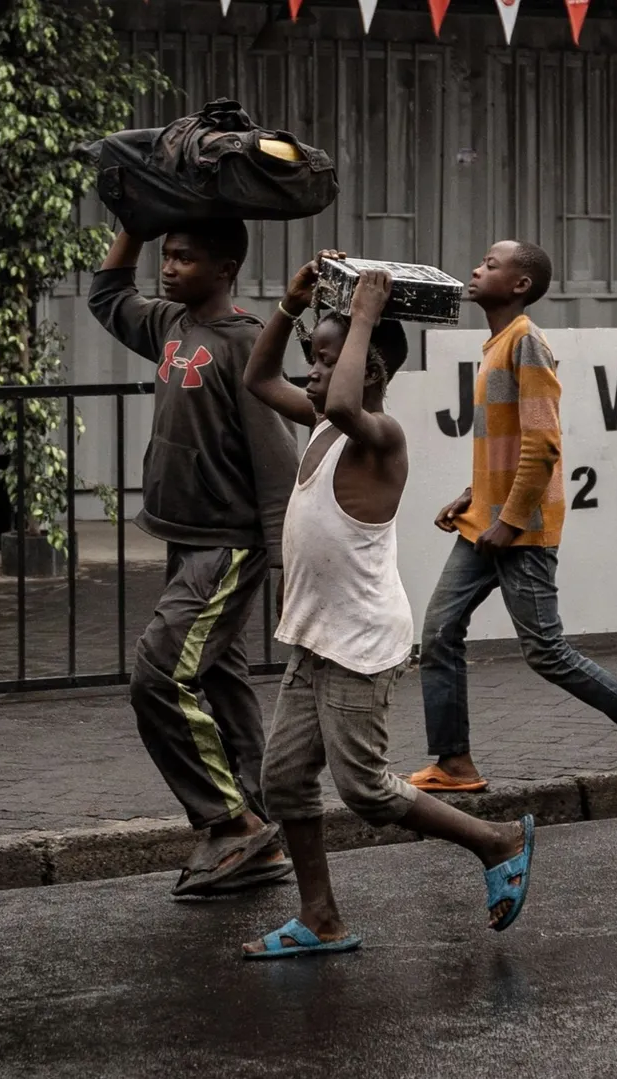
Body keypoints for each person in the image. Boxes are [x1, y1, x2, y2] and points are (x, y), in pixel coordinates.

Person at [238, 254, 534, 958]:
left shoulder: (379, 433)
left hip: (360, 641)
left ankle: (496, 840)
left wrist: (366, 313)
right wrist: (289, 305)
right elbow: (257, 380)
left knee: (366, 790)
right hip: (316, 637)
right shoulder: (323, 421)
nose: (313, 373)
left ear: (370, 370)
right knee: (284, 781)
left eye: (327, 360)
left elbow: (346, 403)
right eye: (313, 358)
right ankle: (320, 917)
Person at [407, 240, 617, 798]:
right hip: (487, 522)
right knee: (439, 634)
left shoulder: (526, 342)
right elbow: (508, 441)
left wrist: (511, 519)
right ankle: (454, 762)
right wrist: (472, 496)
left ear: (520, 285)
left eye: (491, 264)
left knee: (546, 651)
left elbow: (543, 445)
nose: (476, 269)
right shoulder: (498, 343)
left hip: (520, 530)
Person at [88, 223, 300, 897]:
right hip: (184, 538)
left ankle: (231, 822)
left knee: (158, 676)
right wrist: (134, 227)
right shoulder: (170, 324)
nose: (170, 267)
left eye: (186, 257)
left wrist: (284, 559)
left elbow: (277, 458)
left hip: (228, 544)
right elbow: (107, 295)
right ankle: (261, 821)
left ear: (226, 267)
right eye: (167, 255)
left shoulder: (247, 342)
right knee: (222, 678)